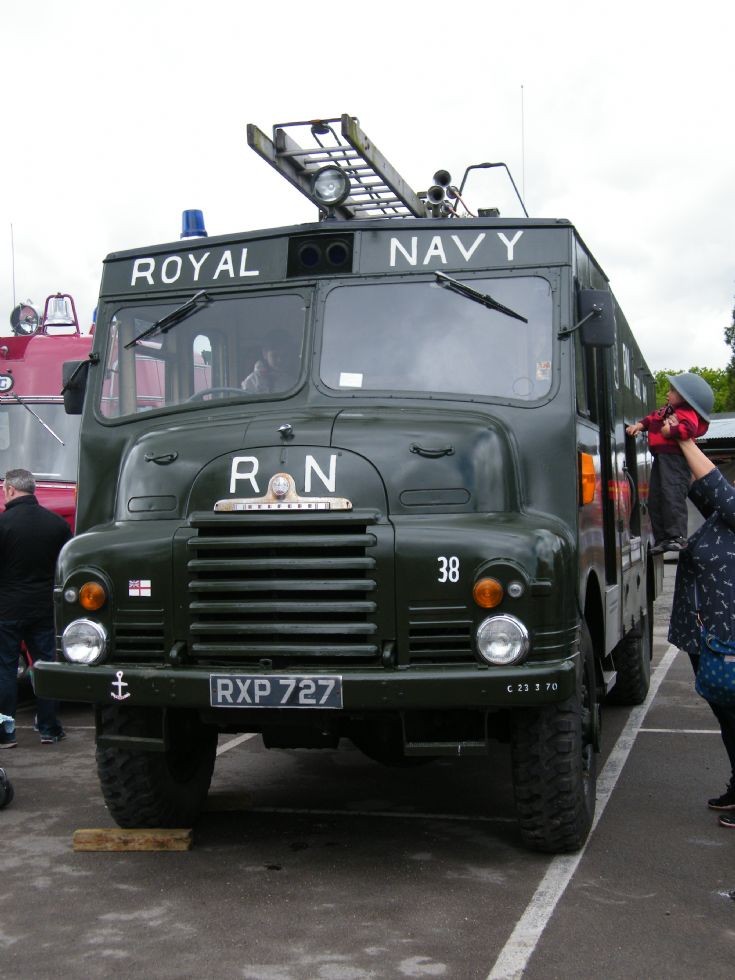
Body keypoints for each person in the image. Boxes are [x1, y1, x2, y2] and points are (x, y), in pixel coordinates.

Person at [667, 434, 735, 829]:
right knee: (727, 718)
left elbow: (715, 486)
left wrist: (684, 440)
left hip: (726, 637)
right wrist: (669, 453)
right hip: (709, 637)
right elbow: (702, 490)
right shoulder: (723, 515)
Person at [0, 469, 72, 748]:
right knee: (45, 666)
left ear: (9, 490)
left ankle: (6, 733)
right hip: (43, 609)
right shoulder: (56, 524)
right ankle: (49, 728)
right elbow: (65, 567)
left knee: (5, 670)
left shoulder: (3, 525)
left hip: (7, 610)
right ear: (33, 490)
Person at [626, 372, 713, 554]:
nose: (668, 393)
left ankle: (678, 537)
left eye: (672, 391)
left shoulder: (686, 413)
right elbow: (650, 419)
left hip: (675, 460)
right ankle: (663, 538)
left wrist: (669, 431)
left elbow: (689, 430)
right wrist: (638, 426)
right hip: (661, 458)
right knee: (656, 498)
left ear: (685, 396)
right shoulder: (665, 410)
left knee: (672, 494)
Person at [241, 329, 299, 394]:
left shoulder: (294, 384)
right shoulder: (252, 381)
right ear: (264, 354)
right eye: (275, 355)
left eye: (284, 355)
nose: (280, 360)